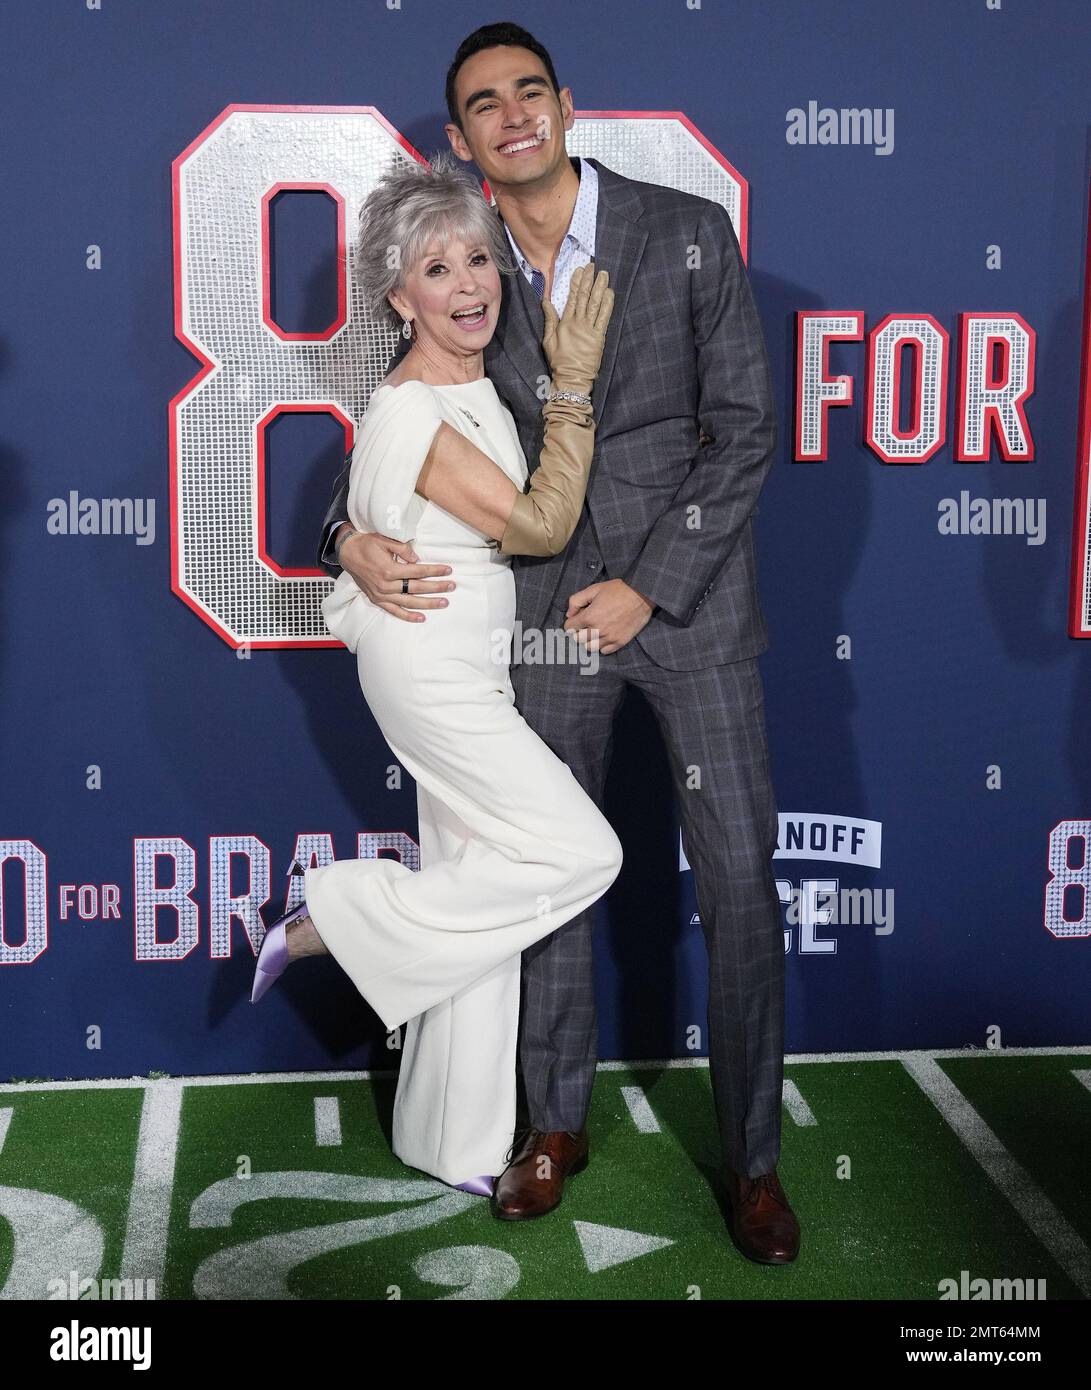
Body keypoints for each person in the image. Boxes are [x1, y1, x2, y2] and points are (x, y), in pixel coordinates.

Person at [318, 23, 799, 1263]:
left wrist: (649, 583)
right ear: (464, 138)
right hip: (539, 632)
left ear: (565, 105)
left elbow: (744, 428)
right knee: (547, 881)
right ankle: (552, 1125)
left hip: (683, 609)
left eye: (528, 90)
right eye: (483, 103)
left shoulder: (686, 231)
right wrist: (342, 539)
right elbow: (404, 428)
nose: (511, 113)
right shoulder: (466, 267)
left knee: (740, 887)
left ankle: (752, 1162)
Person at [252, 154, 621, 1198]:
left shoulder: (472, 380)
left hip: (470, 663)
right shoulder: (411, 407)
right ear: (395, 296)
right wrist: (579, 381)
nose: (466, 284)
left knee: (480, 900)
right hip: (431, 671)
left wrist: (346, 536)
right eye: (434, 268)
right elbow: (541, 524)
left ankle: (450, 1142)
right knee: (580, 851)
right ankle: (328, 917)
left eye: (475, 258)